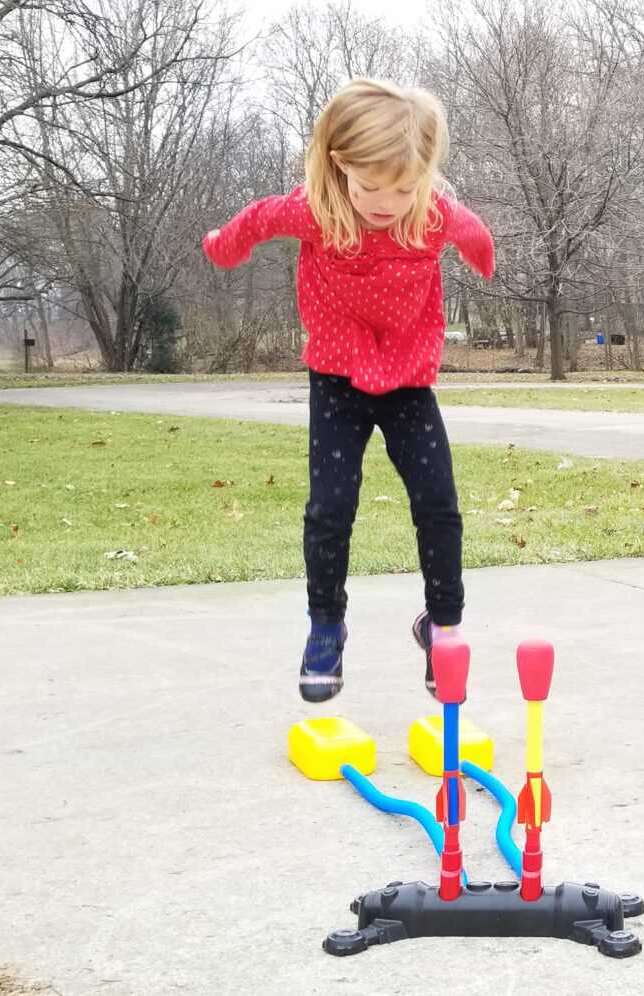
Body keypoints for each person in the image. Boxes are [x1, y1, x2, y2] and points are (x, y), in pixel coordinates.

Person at [203, 78, 496, 700]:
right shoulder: (316, 210)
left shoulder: (432, 215)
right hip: (337, 380)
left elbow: (473, 231)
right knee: (331, 508)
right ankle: (325, 626)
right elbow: (259, 218)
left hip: (409, 382)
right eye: (370, 187)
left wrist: (483, 256)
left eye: (404, 188)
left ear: (425, 177)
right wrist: (223, 248)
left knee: (438, 502)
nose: (386, 203)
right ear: (340, 165)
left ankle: (443, 627)